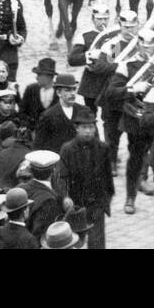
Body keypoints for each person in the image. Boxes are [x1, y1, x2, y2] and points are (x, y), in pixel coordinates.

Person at [56, 105, 114, 249]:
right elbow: (62, 177)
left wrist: (106, 200)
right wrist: (65, 197)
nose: (88, 131)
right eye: (84, 127)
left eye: (91, 127)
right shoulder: (67, 149)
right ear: (77, 128)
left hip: (96, 204)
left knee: (97, 242)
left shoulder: (103, 148)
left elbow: (107, 177)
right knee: (74, 242)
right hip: (75, 205)